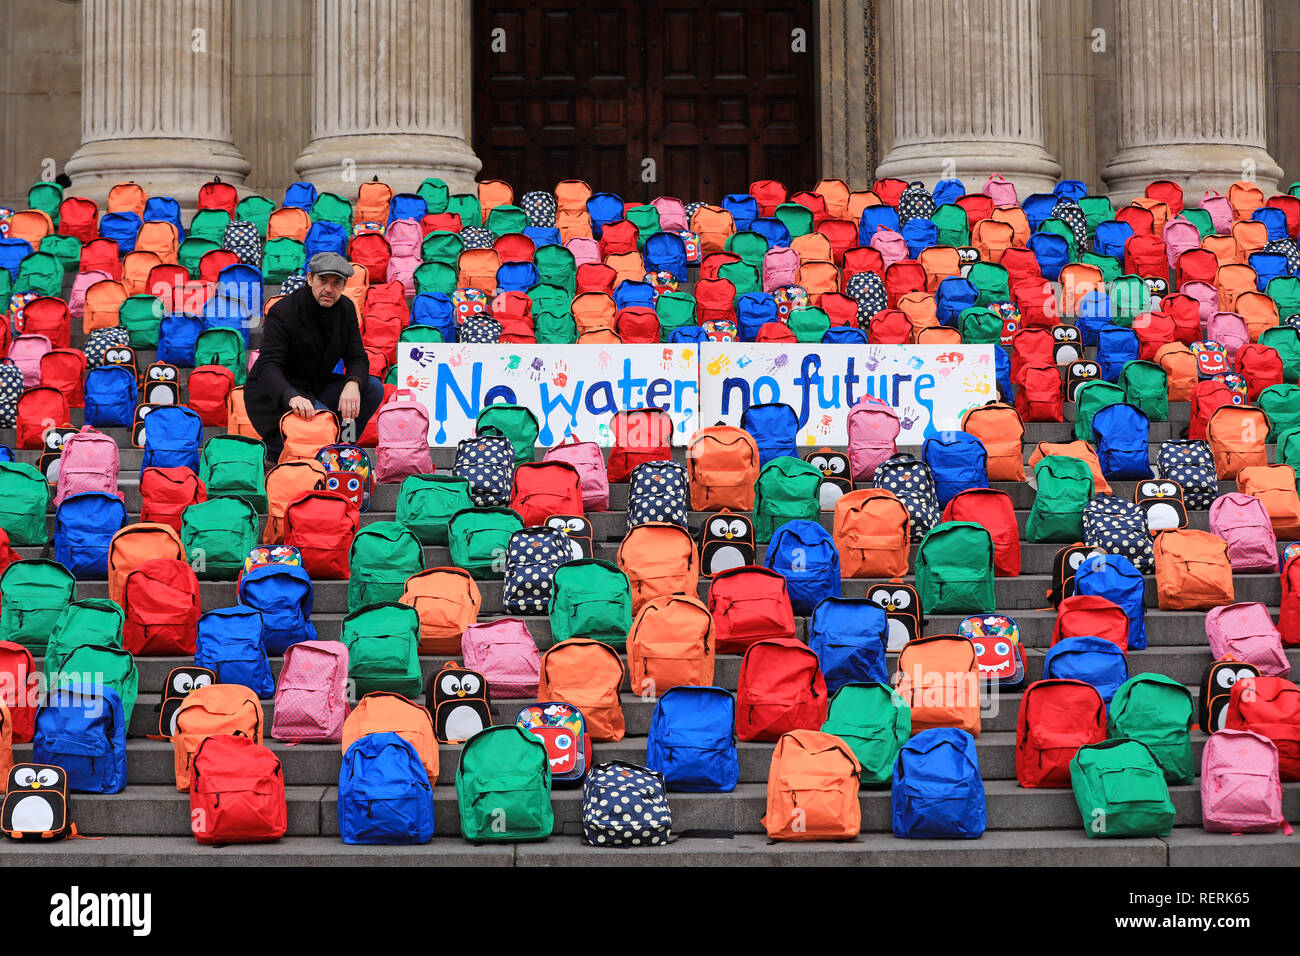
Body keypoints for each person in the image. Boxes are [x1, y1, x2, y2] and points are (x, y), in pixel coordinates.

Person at [245, 252, 386, 462]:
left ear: (344, 285)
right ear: (310, 279)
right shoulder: (283, 311)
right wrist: (291, 396)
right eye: (322, 280)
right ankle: (279, 450)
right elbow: (269, 366)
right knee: (319, 419)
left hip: (314, 387)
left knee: (372, 388)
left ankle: (346, 446)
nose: (329, 289)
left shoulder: (346, 309)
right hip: (275, 393)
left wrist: (353, 383)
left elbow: (357, 356)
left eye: (336, 283)